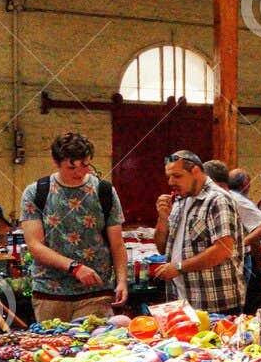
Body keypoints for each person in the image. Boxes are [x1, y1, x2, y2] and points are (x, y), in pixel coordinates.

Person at [19, 131, 128, 323]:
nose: (79, 173)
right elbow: (35, 246)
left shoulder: (104, 192)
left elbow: (117, 244)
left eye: (85, 165)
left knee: (94, 348)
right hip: (50, 294)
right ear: (56, 162)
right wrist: (74, 267)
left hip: (96, 292)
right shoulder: (36, 192)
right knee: (52, 349)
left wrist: (122, 281)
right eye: (71, 167)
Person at [152, 151, 245, 316]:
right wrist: (162, 219)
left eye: (177, 176)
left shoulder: (218, 200)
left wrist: (179, 268)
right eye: (168, 177)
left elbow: (223, 249)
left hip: (214, 303)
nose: (171, 182)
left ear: (195, 171)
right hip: (180, 301)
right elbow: (162, 249)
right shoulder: (180, 200)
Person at [203, 160, 261, 311]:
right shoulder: (215, 199)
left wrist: (240, 244)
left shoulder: (234, 199)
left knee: (232, 308)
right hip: (222, 262)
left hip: (236, 262)